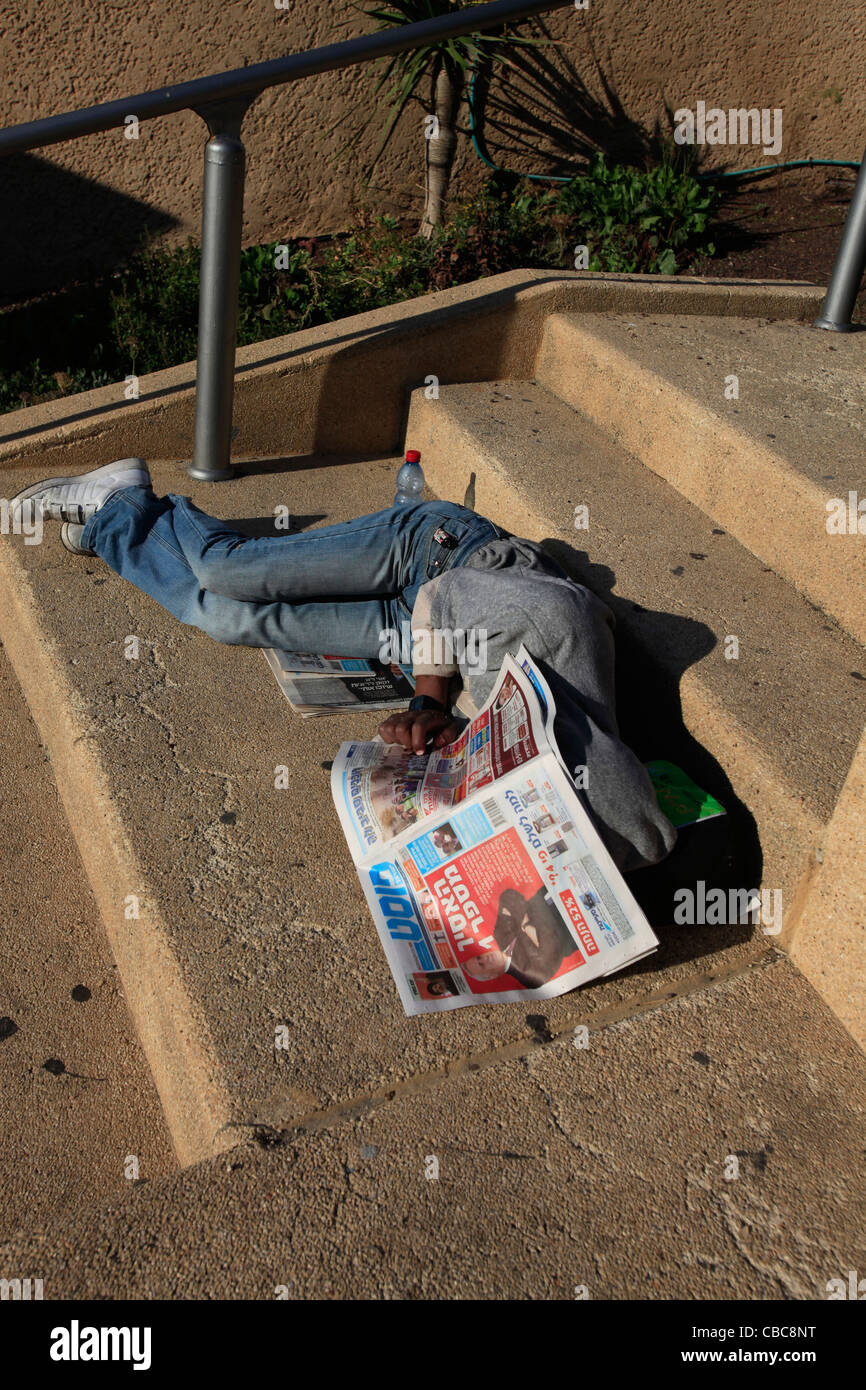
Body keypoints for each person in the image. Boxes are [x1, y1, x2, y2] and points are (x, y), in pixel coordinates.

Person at [10, 457, 677, 874]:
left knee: (224, 618)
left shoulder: (543, 746)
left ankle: (115, 525)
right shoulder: (554, 624)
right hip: (437, 554)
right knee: (227, 570)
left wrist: (444, 737)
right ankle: (135, 502)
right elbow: (447, 600)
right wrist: (429, 705)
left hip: (414, 631)